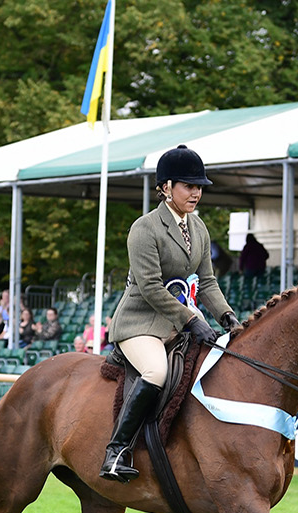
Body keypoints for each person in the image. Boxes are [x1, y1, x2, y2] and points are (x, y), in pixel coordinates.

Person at [101, 145, 239, 483]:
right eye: (188, 186)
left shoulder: (199, 228)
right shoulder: (145, 228)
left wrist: (227, 317)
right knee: (156, 371)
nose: (196, 193)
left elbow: (207, 282)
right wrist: (191, 320)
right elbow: (150, 287)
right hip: (140, 323)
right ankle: (116, 451)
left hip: (178, 323)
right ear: (166, 187)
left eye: (199, 187)